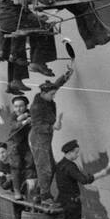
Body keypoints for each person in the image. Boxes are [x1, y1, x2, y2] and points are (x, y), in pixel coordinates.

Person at [28, 66, 74, 204]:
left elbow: (55, 86)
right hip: (38, 138)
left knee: (50, 167)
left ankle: (40, 190)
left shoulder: (45, 97)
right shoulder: (36, 107)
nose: (53, 96)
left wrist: (65, 76)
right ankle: (45, 196)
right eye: (52, 95)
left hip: (46, 138)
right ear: (43, 93)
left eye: (54, 94)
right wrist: (52, 126)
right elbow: (37, 127)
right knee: (45, 167)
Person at [5, 95, 34, 197]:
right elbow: (13, 126)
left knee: (30, 164)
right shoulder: (13, 116)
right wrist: (23, 122)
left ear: (26, 106)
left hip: (27, 144)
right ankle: (16, 190)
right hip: (15, 144)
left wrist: (30, 119)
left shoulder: (31, 114)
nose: (18, 109)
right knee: (16, 166)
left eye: (21, 106)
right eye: (16, 106)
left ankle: (29, 189)